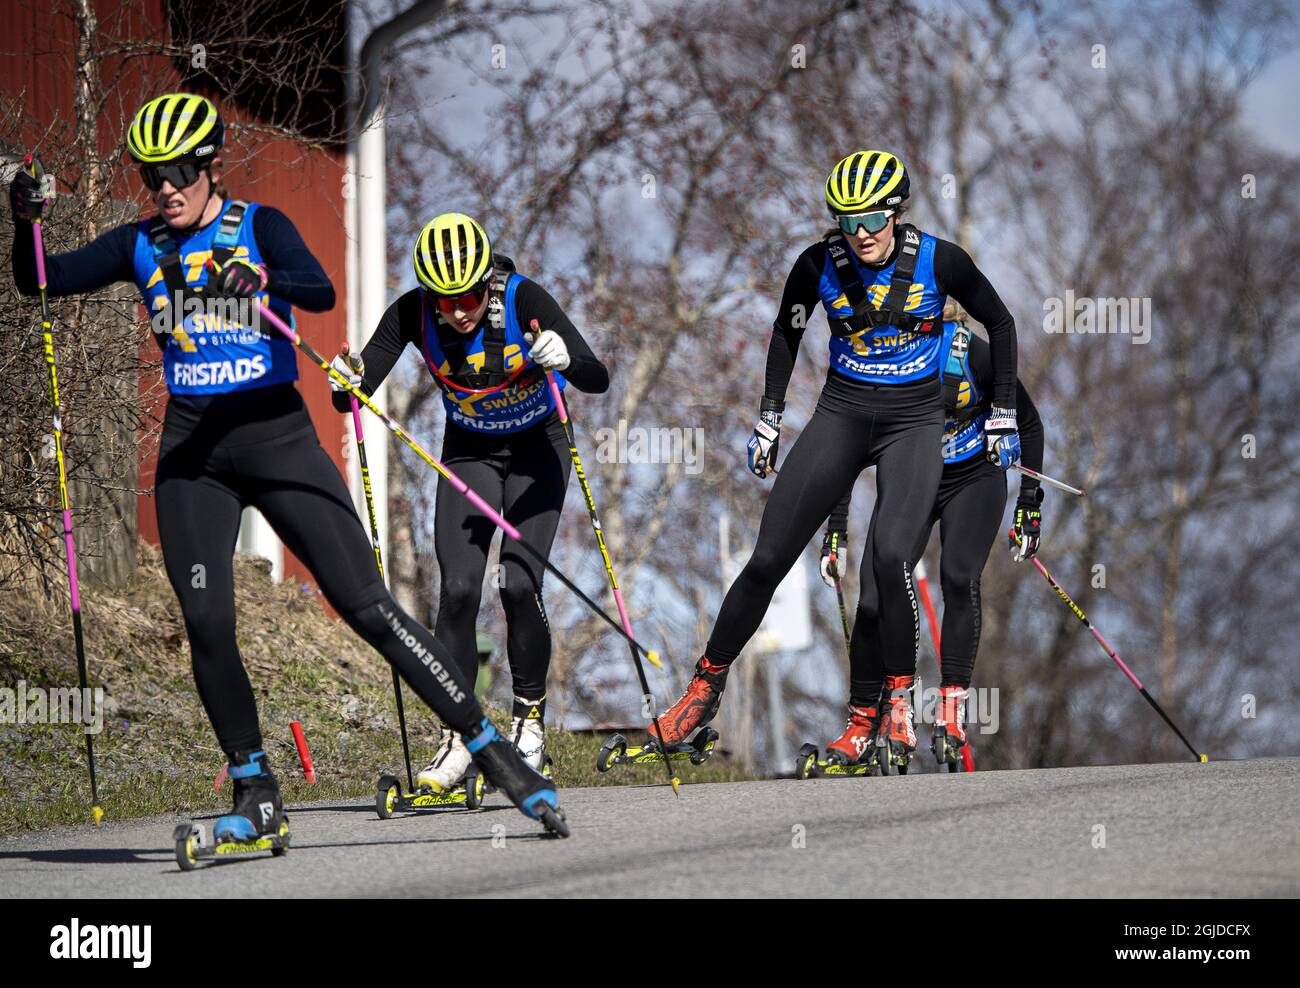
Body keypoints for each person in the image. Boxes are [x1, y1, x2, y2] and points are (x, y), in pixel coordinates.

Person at [9, 93, 563, 841]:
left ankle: (491, 750)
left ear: (208, 167)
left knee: (371, 611)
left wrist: (259, 281)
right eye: (151, 176)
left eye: (176, 171)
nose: (163, 188)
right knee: (206, 620)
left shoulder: (257, 227)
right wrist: (24, 221)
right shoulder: (140, 243)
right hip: (193, 455)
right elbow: (41, 279)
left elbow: (320, 288)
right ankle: (255, 788)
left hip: (277, 442)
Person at [649, 149, 1021, 747]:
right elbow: (785, 331)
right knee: (768, 557)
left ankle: (896, 700)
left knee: (892, 558)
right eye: (847, 221)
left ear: (896, 213)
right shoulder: (816, 264)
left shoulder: (940, 261)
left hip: (913, 422)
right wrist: (769, 416)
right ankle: (702, 689)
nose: (861, 234)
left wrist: (1001, 412)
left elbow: (1000, 324)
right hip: (842, 414)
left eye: (872, 220)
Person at [329, 212, 609, 791]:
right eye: (445, 300)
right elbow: (355, 390)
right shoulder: (411, 312)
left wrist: (566, 357)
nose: (459, 311)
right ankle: (458, 735)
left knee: (518, 583)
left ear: (489, 280)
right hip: (470, 454)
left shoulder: (525, 298)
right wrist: (346, 378)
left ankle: (529, 725)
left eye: (471, 296)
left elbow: (596, 377)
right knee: (457, 590)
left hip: (539, 451)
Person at [818, 305, 1045, 767]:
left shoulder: (971, 354)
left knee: (959, 577)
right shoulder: (879, 361)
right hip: (911, 479)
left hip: (973, 476)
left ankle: (951, 708)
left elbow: (1031, 421)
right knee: (874, 597)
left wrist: (1029, 504)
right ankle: (873, 716)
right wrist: (835, 530)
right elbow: (848, 448)